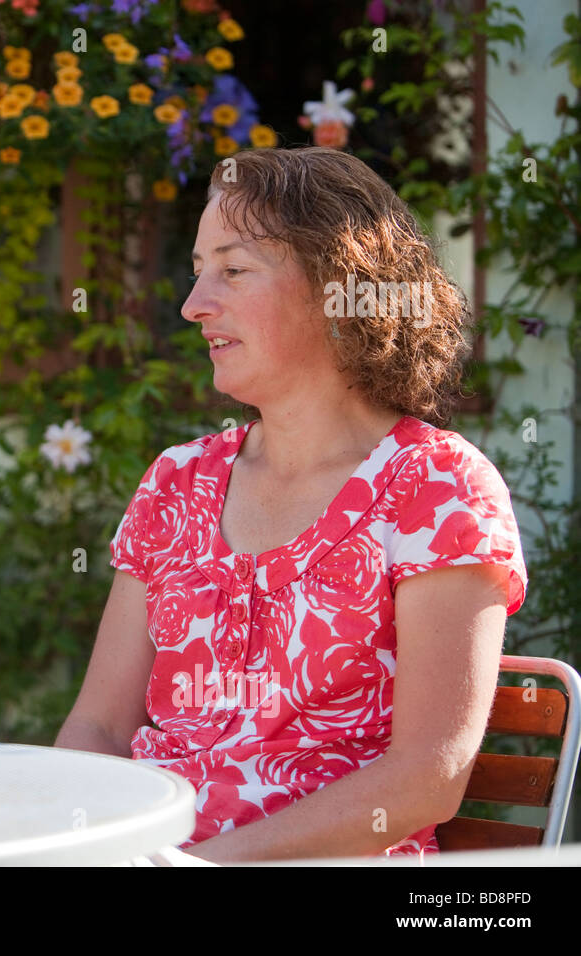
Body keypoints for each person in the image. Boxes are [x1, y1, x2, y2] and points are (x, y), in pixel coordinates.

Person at [55, 147, 527, 863]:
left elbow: (425, 780)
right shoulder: (175, 482)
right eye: (196, 271)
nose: (193, 305)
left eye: (233, 270)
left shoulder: (437, 488)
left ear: (338, 286)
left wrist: (200, 866)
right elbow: (98, 728)